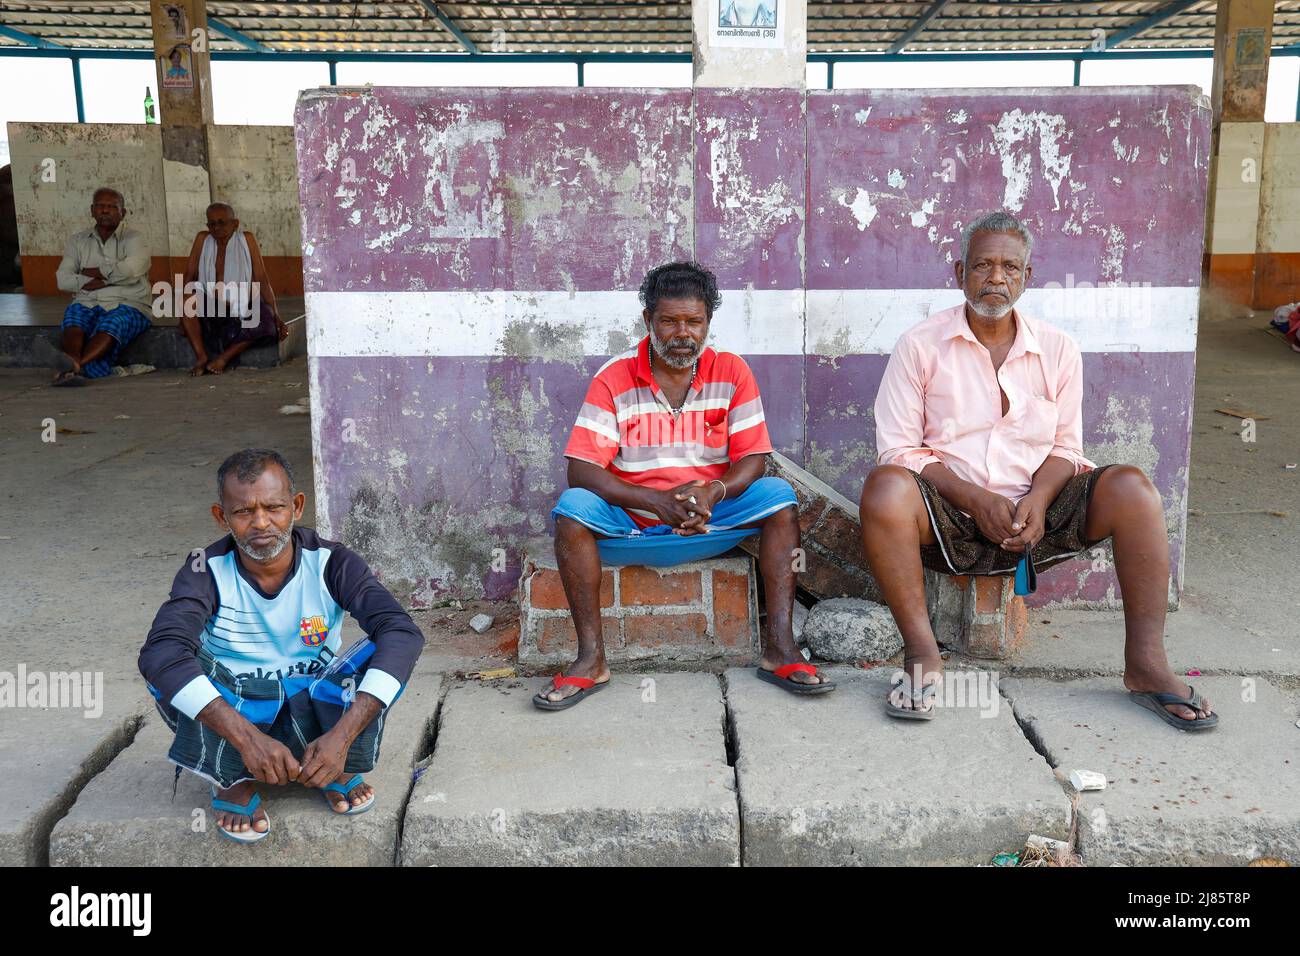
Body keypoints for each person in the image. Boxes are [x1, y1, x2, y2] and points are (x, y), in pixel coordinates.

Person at [859, 210, 1216, 731]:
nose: (995, 278)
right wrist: (977, 501)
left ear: (1029, 276)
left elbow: (1068, 448)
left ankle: (1146, 663)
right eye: (982, 265)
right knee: (886, 487)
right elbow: (898, 450)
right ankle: (921, 655)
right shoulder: (920, 345)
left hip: (1036, 514)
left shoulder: (1058, 348)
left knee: (1133, 489)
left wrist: (1040, 500)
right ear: (959, 274)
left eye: (1009, 266)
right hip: (948, 514)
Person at [539, 261, 833, 710]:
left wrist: (714, 492)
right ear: (647, 322)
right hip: (632, 526)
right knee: (573, 506)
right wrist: (655, 502)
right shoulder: (613, 378)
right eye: (670, 321)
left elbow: (754, 457)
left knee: (779, 499)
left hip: (710, 523)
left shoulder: (731, 371)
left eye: (694, 322)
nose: (683, 333)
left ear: (708, 323)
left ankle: (779, 648)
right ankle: (591, 658)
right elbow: (581, 470)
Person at [138, 449, 425, 842]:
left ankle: (333, 759)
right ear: (222, 517)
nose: (261, 523)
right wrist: (246, 738)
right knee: (166, 667)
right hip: (238, 707)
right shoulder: (204, 569)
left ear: (297, 506)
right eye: (243, 512)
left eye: (274, 507)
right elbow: (162, 652)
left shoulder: (332, 563)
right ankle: (232, 777)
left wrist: (342, 736)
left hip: (311, 700)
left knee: (389, 649)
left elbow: (400, 631)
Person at [51, 187, 152, 386]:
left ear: (122, 212)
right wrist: (106, 276)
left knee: (113, 322)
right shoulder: (77, 241)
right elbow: (63, 280)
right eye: (100, 206)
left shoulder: (135, 239)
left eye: (112, 207)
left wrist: (97, 273)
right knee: (73, 319)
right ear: (92, 210)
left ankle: (74, 366)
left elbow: (131, 272)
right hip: (87, 300)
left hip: (128, 302)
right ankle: (78, 367)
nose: (105, 211)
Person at [178, 201, 286, 375]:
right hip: (211, 306)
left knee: (265, 319)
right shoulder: (202, 239)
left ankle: (224, 358)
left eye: (222, 222)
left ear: (235, 223)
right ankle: (202, 357)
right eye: (212, 223)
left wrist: (276, 313)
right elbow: (189, 275)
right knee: (186, 299)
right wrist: (182, 317)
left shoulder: (247, 239)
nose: (216, 227)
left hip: (241, 305)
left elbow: (261, 278)